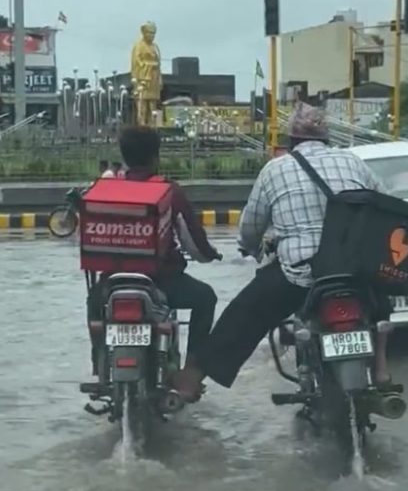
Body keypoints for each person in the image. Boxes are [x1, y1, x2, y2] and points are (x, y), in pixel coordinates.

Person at [171, 103, 389, 400]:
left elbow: (251, 227)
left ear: (291, 141)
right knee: (380, 305)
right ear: (327, 138)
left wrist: (251, 248)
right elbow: (385, 204)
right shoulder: (353, 162)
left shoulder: (275, 169)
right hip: (354, 269)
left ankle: (193, 378)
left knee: (243, 314)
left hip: (302, 274)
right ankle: (381, 366)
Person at [92, 125, 222, 374]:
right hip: (163, 282)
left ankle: (99, 368)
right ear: (155, 156)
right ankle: (192, 371)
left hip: (113, 283)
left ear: (124, 156)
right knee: (206, 298)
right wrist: (209, 255)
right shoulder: (169, 192)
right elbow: (193, 242)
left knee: (94, 303)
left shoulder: (107, 190)